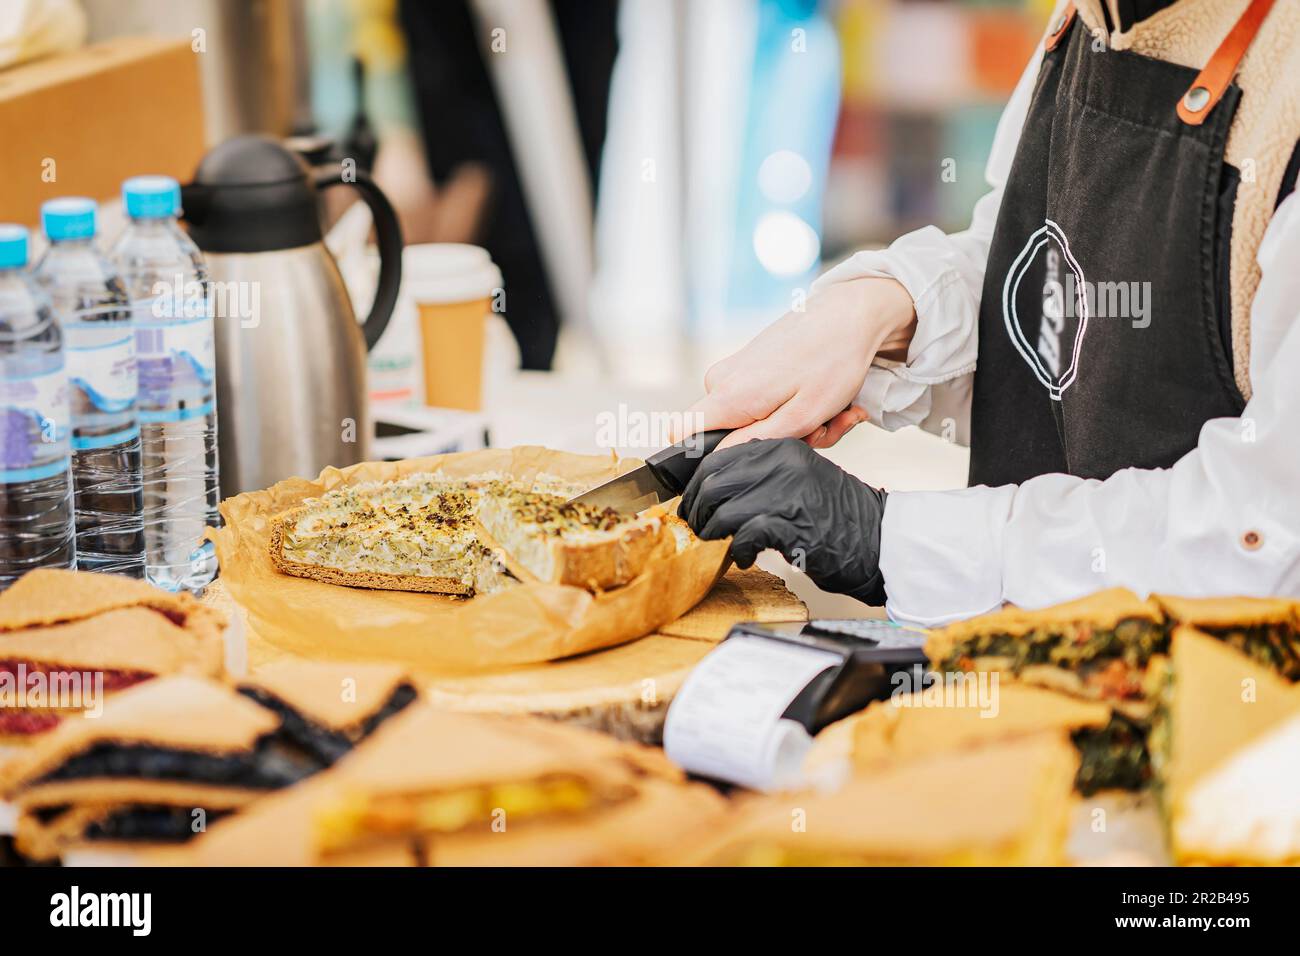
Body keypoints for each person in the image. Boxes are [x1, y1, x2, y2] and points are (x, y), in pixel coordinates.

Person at [677, 0, 1300, 626]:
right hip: (1033, 668)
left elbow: (1264, 530)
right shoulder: (1085, 19)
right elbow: (1043, 283)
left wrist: (886, 539)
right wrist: (878, 315)